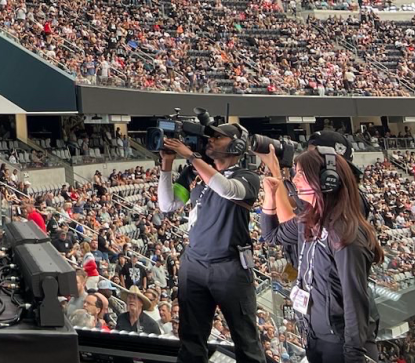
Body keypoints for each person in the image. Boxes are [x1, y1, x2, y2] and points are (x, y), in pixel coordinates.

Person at [259, 146, 382, 363]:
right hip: (314, 337)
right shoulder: (309, 220)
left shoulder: (344, 233)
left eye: (301, 174)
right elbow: (271, 236)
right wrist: (269, 196)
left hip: (340, 344)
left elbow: (355, 299)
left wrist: (353, 354)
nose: (294, 180)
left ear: (327, 180)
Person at [158, 124, 264, 363]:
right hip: (194, 265)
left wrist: (191, 156)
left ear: (237, 145)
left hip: (229, 267)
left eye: (218, 137)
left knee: (246, 341)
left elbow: (226, 189)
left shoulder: (247, 177)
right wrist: (166, 165)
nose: (211, 141)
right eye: (211, 137)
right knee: (191, 339)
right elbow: (167, 205)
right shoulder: (197, 172)